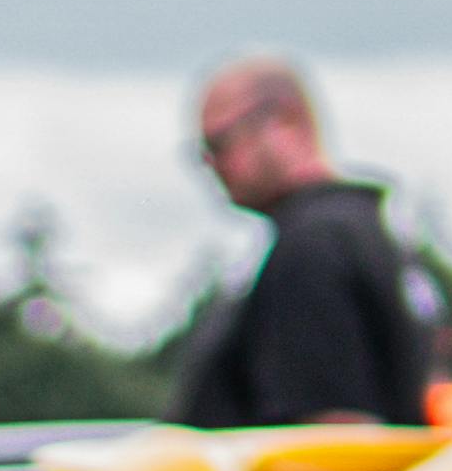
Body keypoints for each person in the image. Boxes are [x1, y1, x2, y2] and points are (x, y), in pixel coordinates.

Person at [169, 55, 431, 429]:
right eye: (203, 153)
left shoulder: (312, 247)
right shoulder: (366, 231)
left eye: (220, 142)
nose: (212, 164)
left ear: (286, 120)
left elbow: (338, 445)